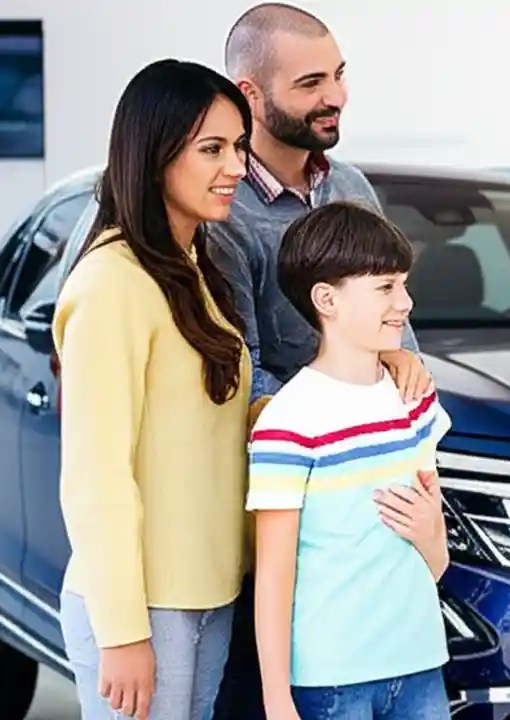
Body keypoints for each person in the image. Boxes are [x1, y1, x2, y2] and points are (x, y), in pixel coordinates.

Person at [209, 5, 436, 716]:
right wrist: (340, 401)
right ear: (250, 94)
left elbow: (398, 327)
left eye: (339, 75)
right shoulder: (224, 207)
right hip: (296, 486)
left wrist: (401, 371)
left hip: (388, 542)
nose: (335, 95)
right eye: (311, 82)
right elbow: (238, 365)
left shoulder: (352, 188)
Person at [54, 59, 253, 719]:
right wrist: (122, 632)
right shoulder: (112, 282)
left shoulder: (195, 269)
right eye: (213, 149)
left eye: (240, 147)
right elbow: (96, 475)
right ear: (155, 154)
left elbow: (209, 424)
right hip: (143, 607)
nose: (236, 168)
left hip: (205, 592)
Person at [247, 202, 452, 720]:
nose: (404, 302)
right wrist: (276, 700)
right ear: (326, 299)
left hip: (420, 665)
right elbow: (273, 573)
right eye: (385, 287)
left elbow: (438, 559)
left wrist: (431, 536)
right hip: (331, 680)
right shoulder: (287, 420)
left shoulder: (416, 400)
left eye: (403, 284)